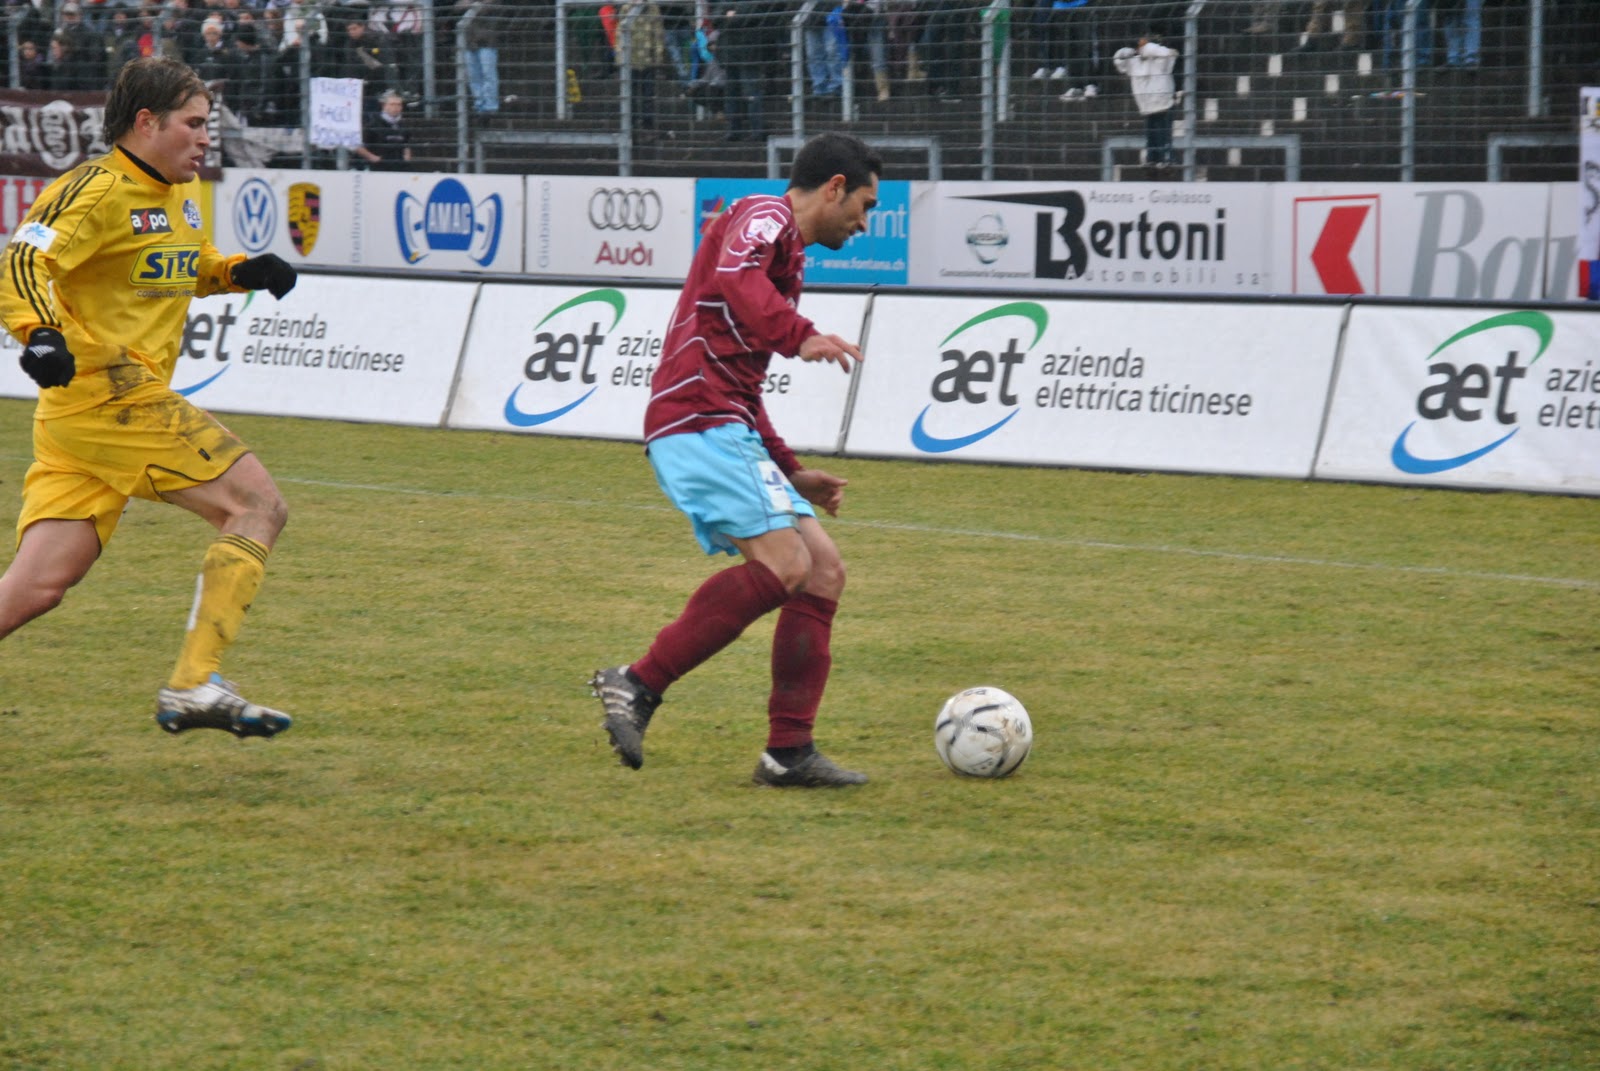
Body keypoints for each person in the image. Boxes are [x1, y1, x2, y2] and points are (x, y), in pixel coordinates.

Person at [0, 57, 299, 737]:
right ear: (145, 122)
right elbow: (23, 259)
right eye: (193, 124)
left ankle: (195, 686)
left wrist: (237, 271)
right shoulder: (95, 188)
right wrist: (40, 333)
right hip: (107, 391)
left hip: (91, 415)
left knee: (40, 584)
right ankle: (193, 685)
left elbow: (173, 266)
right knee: (256, 504)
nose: (204, 138)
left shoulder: (183, 193)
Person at [590, 131, 880, 789]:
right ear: (833, 187)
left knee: (823, 570)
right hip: (694, 420)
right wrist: (800, 335)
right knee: (787, 565)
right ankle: (637, 681)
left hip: (725, 423)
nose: (864, 223)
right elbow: (734, 277)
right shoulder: (763, 215)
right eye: (862, 204)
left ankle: (789, 751)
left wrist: (790, 466)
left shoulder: (789, 260)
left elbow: (745, 383)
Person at [1113, 32, 1178, 167]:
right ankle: (1152, 159)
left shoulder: (1161, 60)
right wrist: (1129, 51)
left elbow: (1166, 53)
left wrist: (1147, 48)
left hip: (1163, 103)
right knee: (1151, 135)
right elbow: (1118, 59)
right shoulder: (1134, 62)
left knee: (1164, 134)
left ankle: (1166, 159)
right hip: (1147, 105)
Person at [355, 87, 411, 169]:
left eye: (398, 104)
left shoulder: (403, 125)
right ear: (384, 106)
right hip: (379, 168)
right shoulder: (373, 124)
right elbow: (357, 146)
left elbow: (407, 143)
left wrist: (407, 157)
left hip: (400, 167)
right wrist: (373, 158)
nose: (396, 108)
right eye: (392, 104)